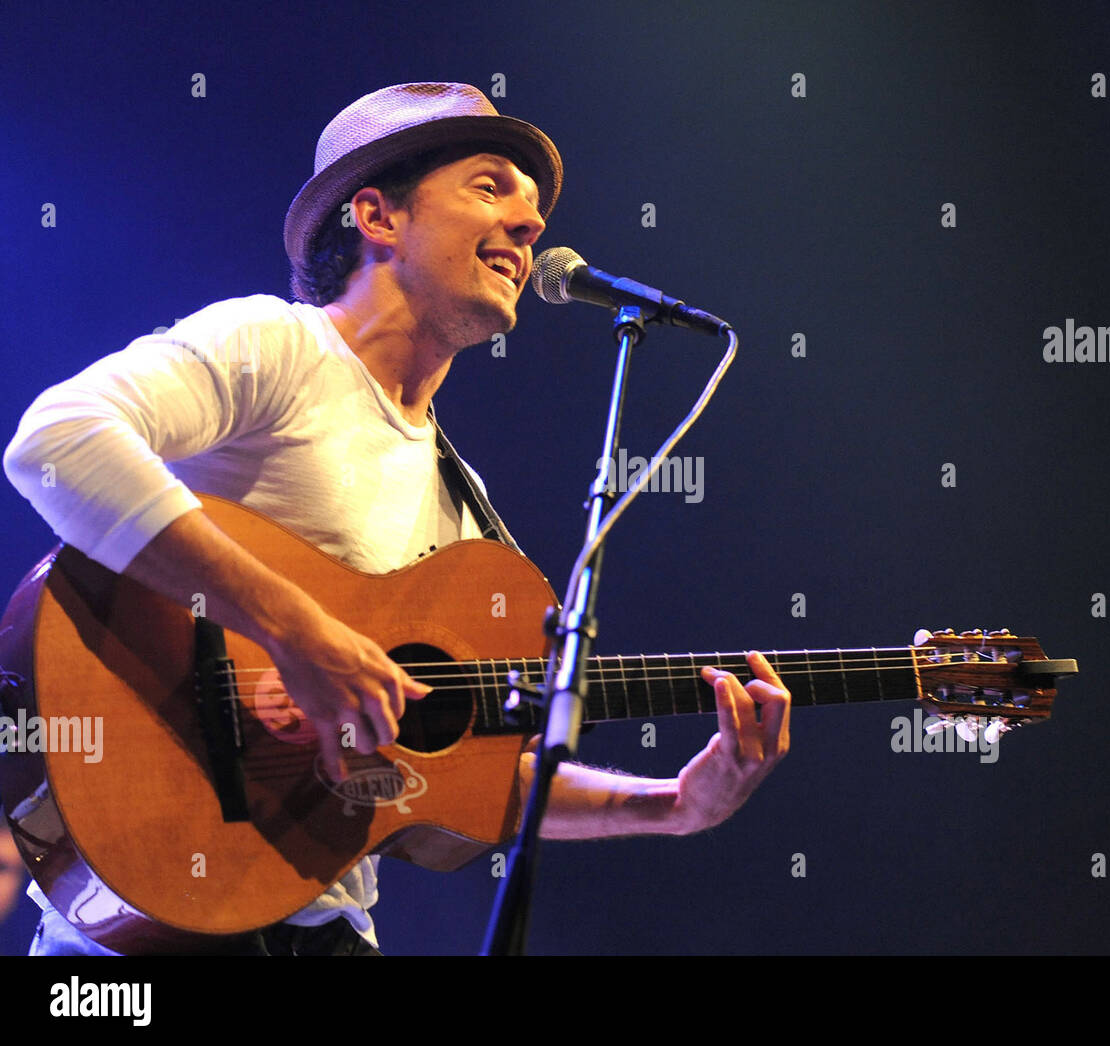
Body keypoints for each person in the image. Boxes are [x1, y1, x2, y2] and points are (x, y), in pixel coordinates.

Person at [2, 82, 791, 956]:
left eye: (534, 206)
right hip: (141, 922)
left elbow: (469, 778)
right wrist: (299, 634)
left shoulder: (460, 501)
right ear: (377, 216)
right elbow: (55, 441)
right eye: (491, 187)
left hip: (329, 925)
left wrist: (674, 805)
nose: (532, 224)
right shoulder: (280, 347)